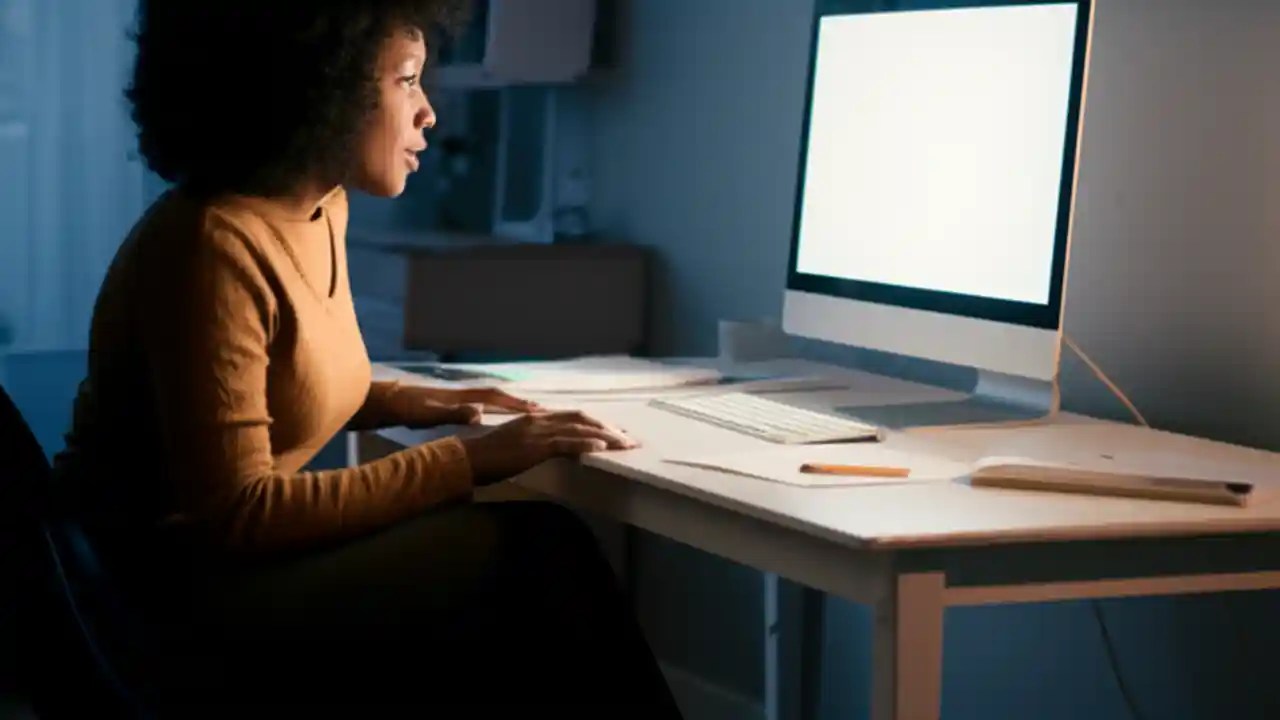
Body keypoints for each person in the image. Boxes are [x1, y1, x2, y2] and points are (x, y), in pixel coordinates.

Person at [48, 0, 683, 715]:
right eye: (406, 80)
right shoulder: (211, 244)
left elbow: (280, 381)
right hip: (153, 602)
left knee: (523, 579)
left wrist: (415, 400)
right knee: (539, 553)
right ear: (320, 87)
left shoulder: (319, 208)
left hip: (228, 572)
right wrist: (470, 460)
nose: (428, 113)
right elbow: (235, 514)